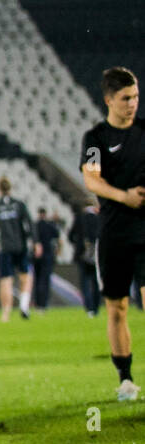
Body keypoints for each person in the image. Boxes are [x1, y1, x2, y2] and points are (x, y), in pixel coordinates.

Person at [79, 66, 145, 402]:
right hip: (115, 234)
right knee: (117, 308)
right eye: (125, 98)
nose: (133, 103)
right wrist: (125, 196)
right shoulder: (96, 139)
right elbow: (91, 179)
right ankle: (126, 379)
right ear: (109, 100)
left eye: (135, 96)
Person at [0, 177, 34, 321]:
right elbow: (29, 224)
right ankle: (24, 306)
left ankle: (6, 313)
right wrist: (34, 241)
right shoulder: (19, 204)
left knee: (6, 280)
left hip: (4, 247)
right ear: (10, 188)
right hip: (20, 245)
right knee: (25, 276)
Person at [69, 202, 102, 317]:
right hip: (97, 254)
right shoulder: (100, 217)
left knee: (84, 282)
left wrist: (78, 245)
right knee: (96, 282)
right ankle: (96, 307)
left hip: (82, 255)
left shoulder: (79, 217)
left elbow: (70, 235)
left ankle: (88, 308)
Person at [32, 207, 62, 312]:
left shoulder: (35, 225)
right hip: (48, 255)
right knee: (45, 280)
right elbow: (58, 237)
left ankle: (37, 303)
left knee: (37, 280)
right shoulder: (50, 225)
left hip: (36, 257)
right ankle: (44, 304)